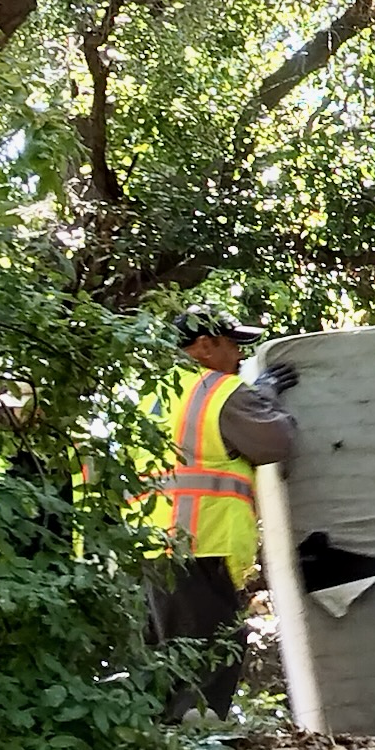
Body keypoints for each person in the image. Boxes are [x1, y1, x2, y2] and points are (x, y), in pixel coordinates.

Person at [136, 309, 298, 720]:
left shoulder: (148, 395)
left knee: (166, 658)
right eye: (232, 343)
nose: (240, 353)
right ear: (205, 347)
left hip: (148, 547)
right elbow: (276, 442)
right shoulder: (219, 391)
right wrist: (264, 396)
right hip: (199, 544)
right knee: (213, 654)